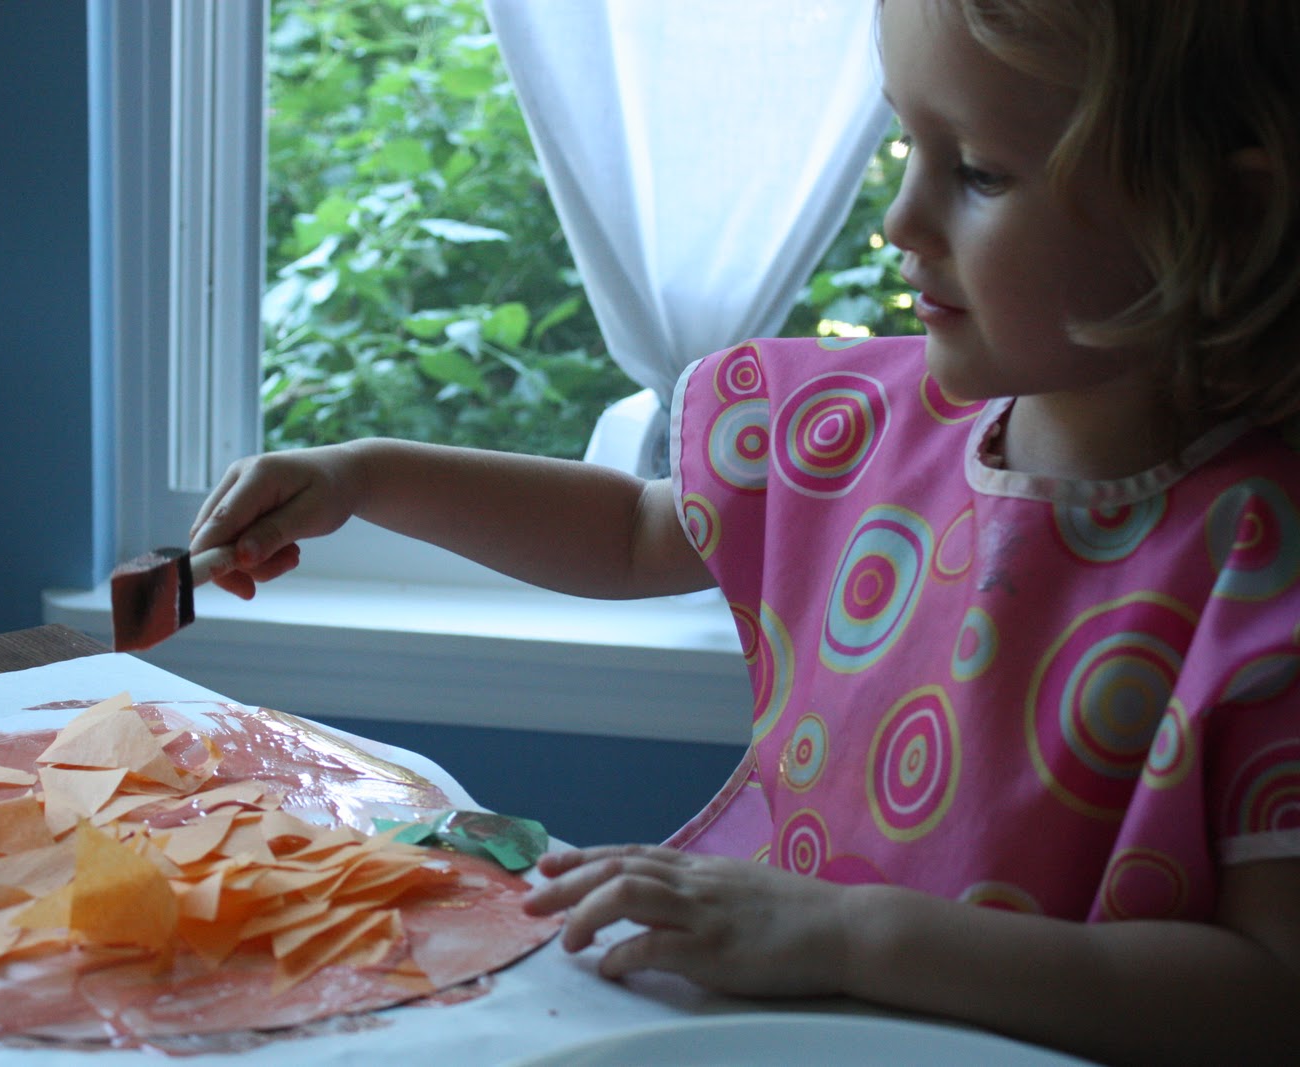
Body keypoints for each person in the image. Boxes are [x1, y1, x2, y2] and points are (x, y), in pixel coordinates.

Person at [187, 1, 1300, 1062]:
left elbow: (1267, 996)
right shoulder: (860, 429)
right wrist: (365, 478)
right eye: (905, 145)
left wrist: (853, 934)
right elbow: (631, 529)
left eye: (976, 172)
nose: (902, 220)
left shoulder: (1264, 572)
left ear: (1224, 212)